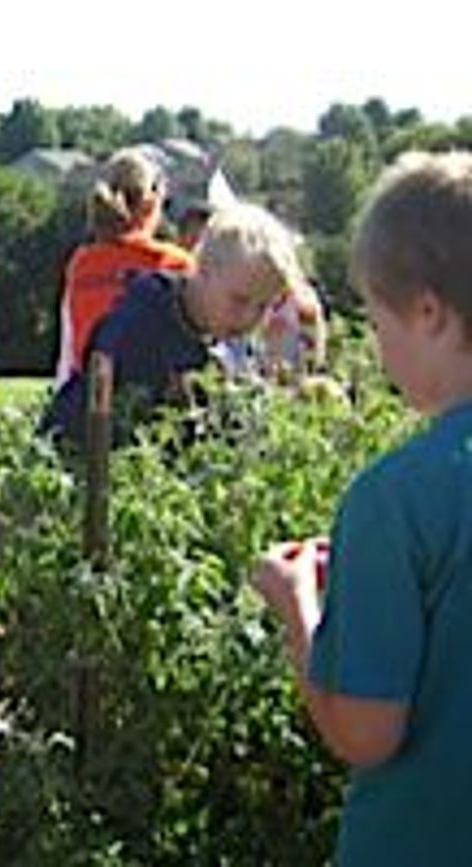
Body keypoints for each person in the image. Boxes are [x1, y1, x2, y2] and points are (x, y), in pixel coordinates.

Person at [250, 151, 472, 865]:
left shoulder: (394, 500)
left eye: (377, 324)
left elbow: (365, 732)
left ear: (429, 313)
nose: (377, 350)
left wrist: (298, 612)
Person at [42, 201, 304, 447]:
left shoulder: (227, 340)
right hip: (82, 453)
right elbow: (107, 393)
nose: (249, 317)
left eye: (263, 306)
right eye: (239, 300)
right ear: (203, 271)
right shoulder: (143, 319)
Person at [55, 147, 195, 388]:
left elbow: (68, 349)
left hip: (86, 397)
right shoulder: (175, 263)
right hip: (153, 403)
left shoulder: (80, 263)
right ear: (151, 204)